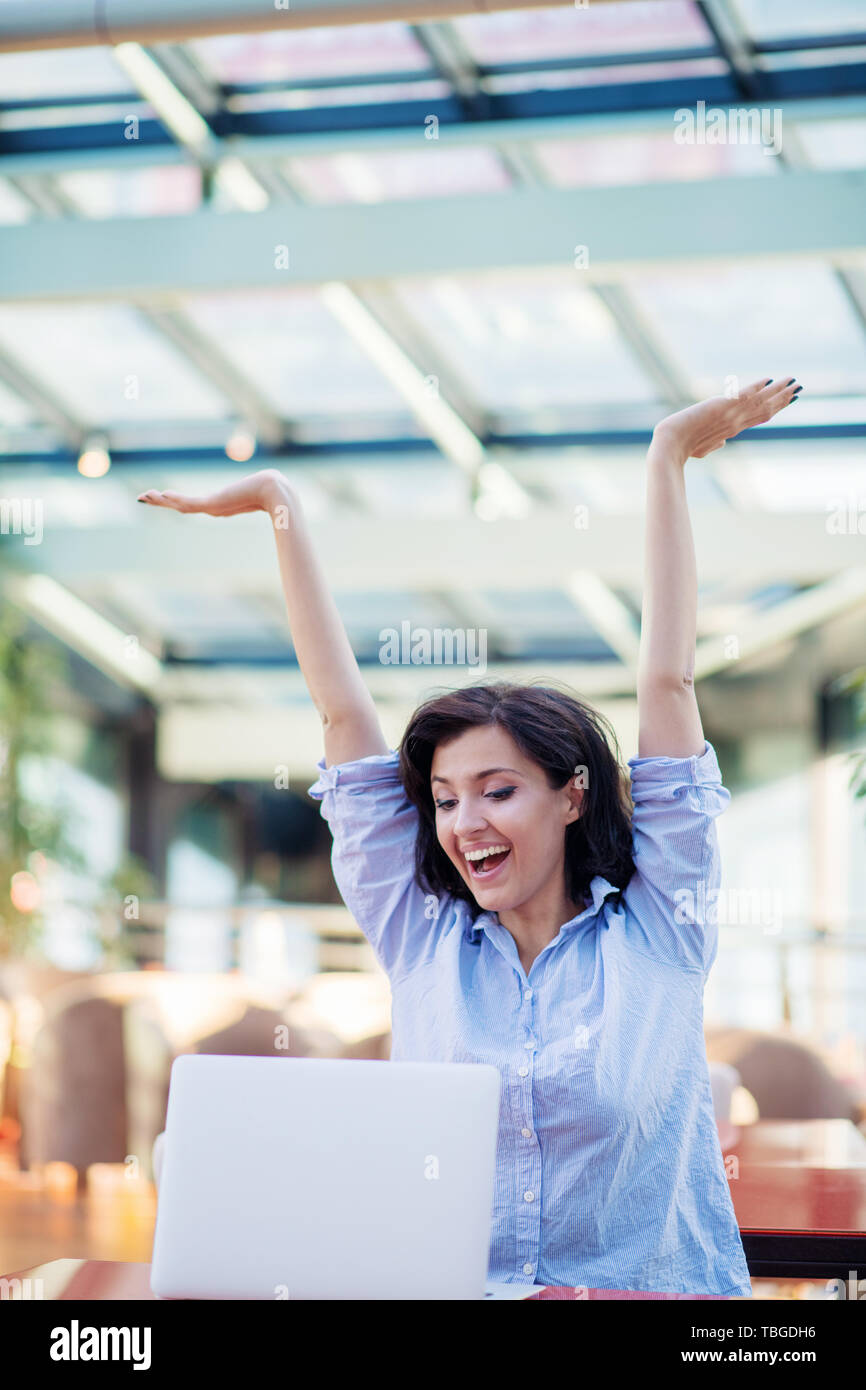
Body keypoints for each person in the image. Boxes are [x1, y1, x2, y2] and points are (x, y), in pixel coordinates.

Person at [138, 375, 801, 1294]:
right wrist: (277, 507)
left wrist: (667, 459)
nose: (464, 823)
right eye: (445, 799)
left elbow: (669, 685)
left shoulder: (663, 927)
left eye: (497, 791)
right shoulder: (421, 934)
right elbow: (341, 712)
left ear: (572, 797)